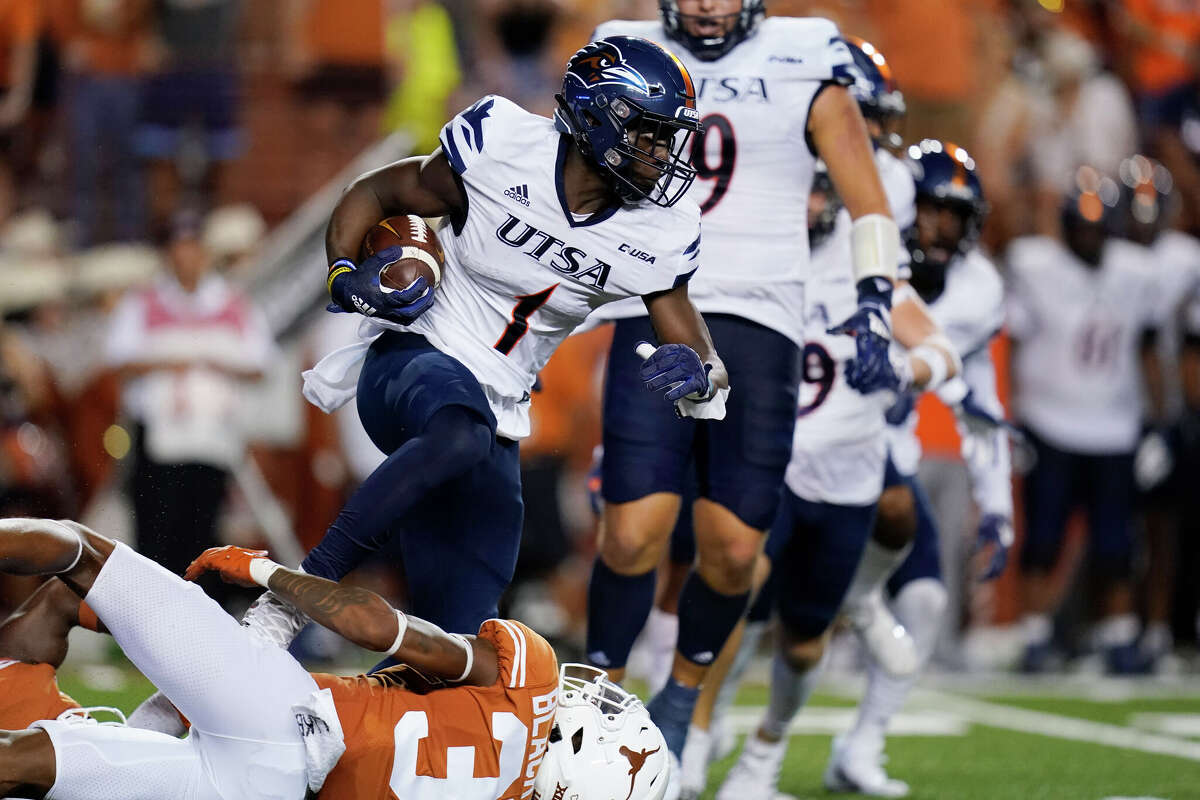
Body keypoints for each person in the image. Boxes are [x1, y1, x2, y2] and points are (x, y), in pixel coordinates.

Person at [299, 36, 727, 644]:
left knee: (459, 641)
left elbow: (699, 352)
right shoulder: (504, 146)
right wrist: (343, 271)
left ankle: (343, 721)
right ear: (594, 117)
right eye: (648, 134)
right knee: (457, 432)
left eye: (667, 139)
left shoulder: (657, 230)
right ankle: (297, 593)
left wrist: (701, 373)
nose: (661, 155)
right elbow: (375, 192)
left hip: (501, 410)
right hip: (414, 359)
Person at [583, 1, 903, 762]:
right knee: (632, 532)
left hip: (763, 320)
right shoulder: (624, 45)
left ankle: (683, 694)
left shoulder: (806, 52)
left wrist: (876, 303)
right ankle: (594, 701)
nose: (705, 6)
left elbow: (866, 194)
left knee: (731, 550)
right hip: (653, 306)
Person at [0, 517, 668, 800]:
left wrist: (262, 572)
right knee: (41, 765)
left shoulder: (529, 679)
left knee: (81, 553)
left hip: (290, 724)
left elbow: (372, 624)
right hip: (270, 790)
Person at [822, 140, 1013, 798]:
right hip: (820, 450)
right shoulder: (854, 255)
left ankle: (862, 746)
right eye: (930, 211)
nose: (939, 229)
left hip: (891, 457)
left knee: (928, 600)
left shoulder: (980, 289)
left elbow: (981, 401)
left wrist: (999, 504)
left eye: (954, 216)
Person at [1009, 166, 1164, 673]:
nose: (1090, 237)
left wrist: (1156, 427)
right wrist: (1013, 418)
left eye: (1099, 228)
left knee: (1116, 542)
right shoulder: (1034, 264)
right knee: (1044, 538)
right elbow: (1014, 344)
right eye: (1081, 227)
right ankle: (1034, 637)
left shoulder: (1138, 271)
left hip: (1115, 426)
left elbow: (1147, 346)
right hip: (1050, 421)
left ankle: (1117, 637)